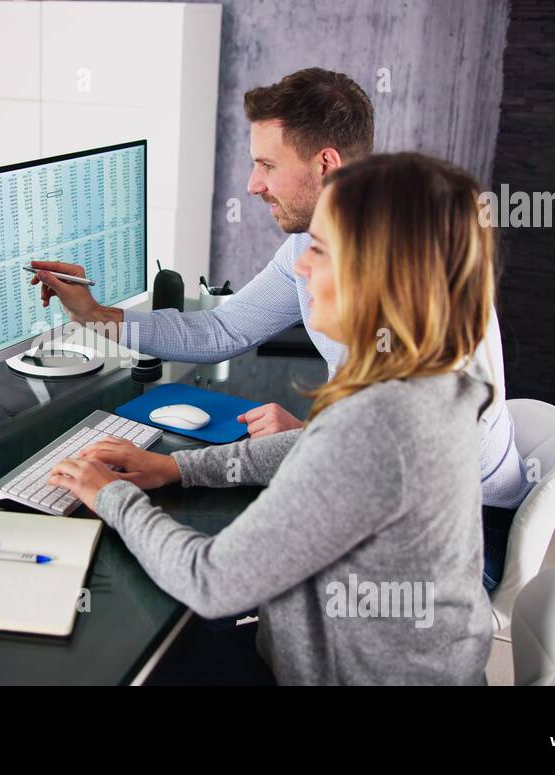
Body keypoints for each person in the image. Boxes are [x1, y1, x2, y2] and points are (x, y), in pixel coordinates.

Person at [32, 69, 529, 589]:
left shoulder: (407, 381)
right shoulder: (367, 269)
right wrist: (98, 317)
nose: (252, 184)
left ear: (326, 164)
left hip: (470, 532)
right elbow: (223, 330)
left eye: (267, 164)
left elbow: (214, 578)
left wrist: (115, 495)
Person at [47, 153, 498, 684]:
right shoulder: (429, 377)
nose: (302, 266)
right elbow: (316, 448)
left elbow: (211, 580)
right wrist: (176, 469)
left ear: (380, 275)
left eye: (321, 251)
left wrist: (112, 497)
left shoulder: (379, 423)